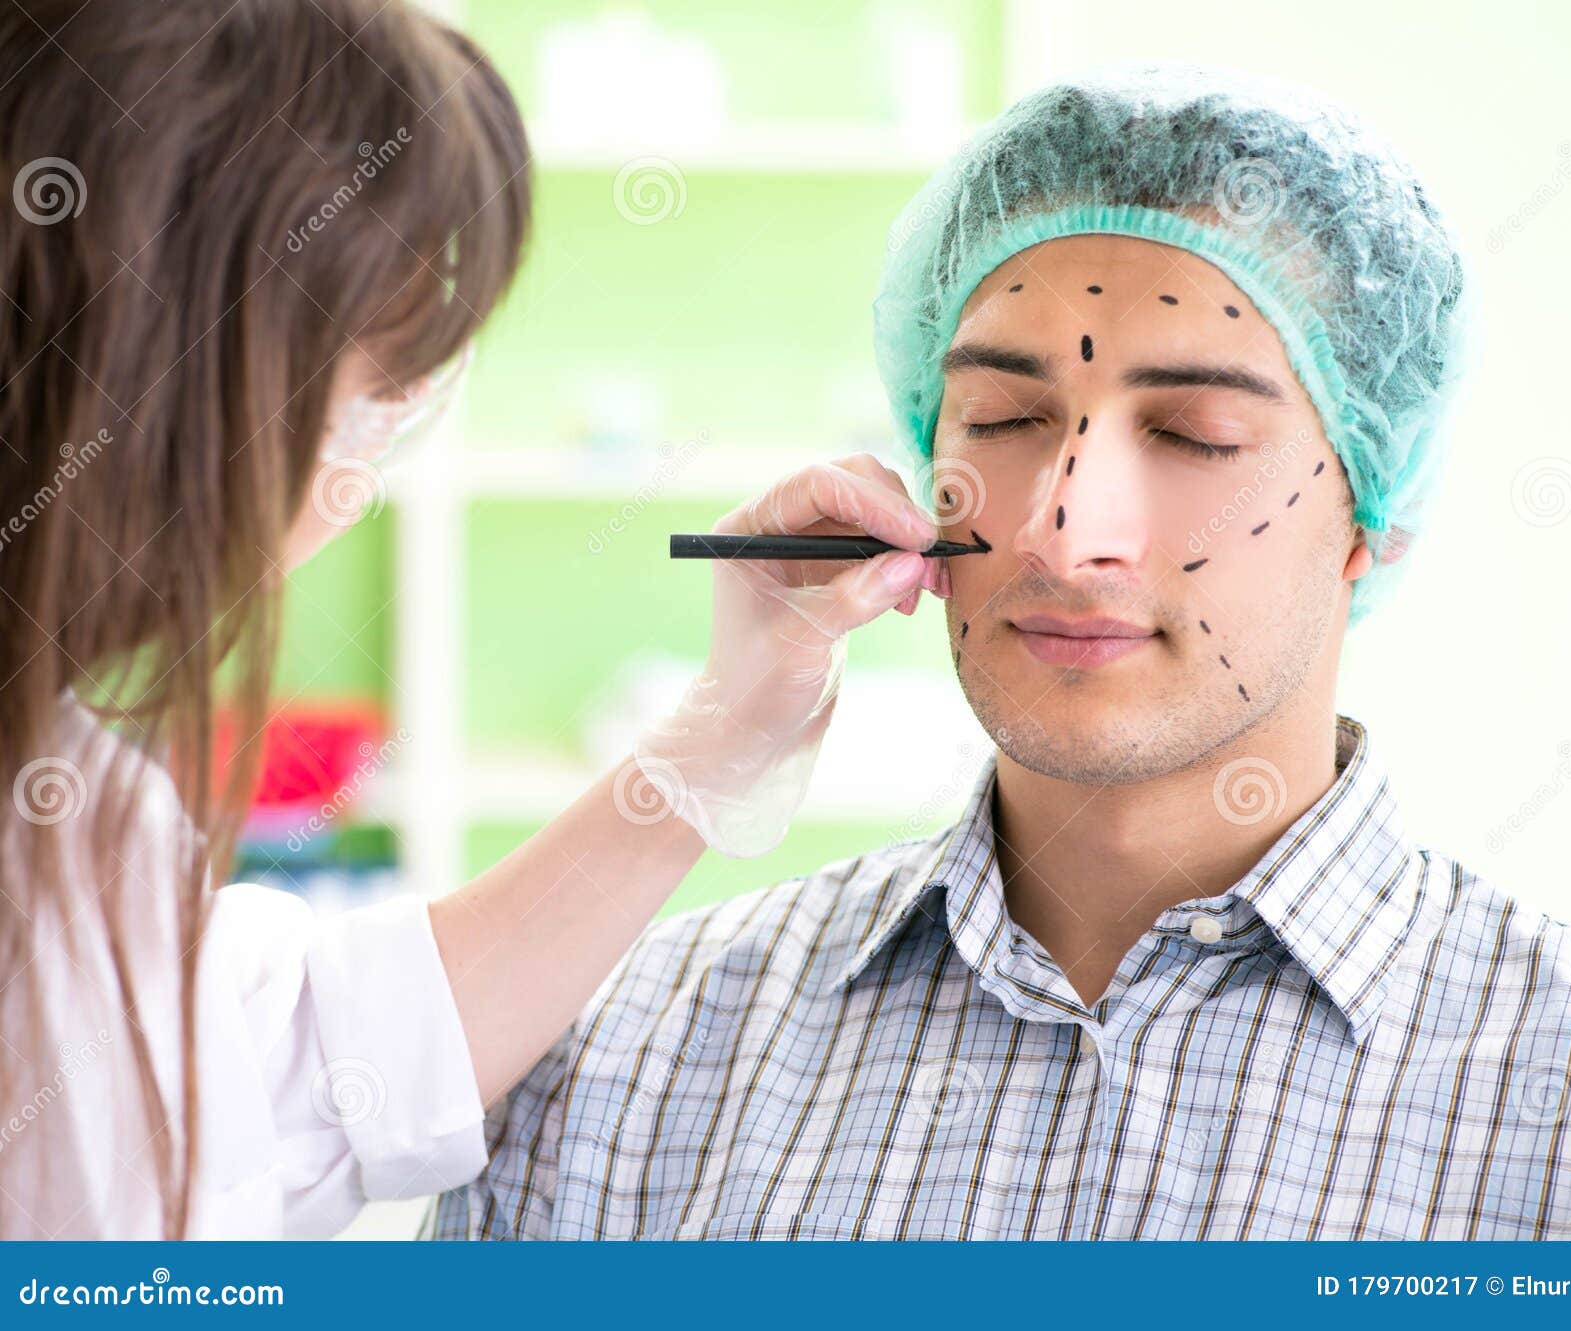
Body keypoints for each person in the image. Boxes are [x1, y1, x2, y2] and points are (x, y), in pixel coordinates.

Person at [433, 63, 1571, 1242]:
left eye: (1195, 434)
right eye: (999, 419)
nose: (1064, 526)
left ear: (1369, 513)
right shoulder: (612, 1062)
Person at [0, 0, 944, 1239]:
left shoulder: (71, 806)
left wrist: (721, 733)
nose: (375, 445)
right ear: (164, 345)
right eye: (385, 366)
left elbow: (314, 1070)